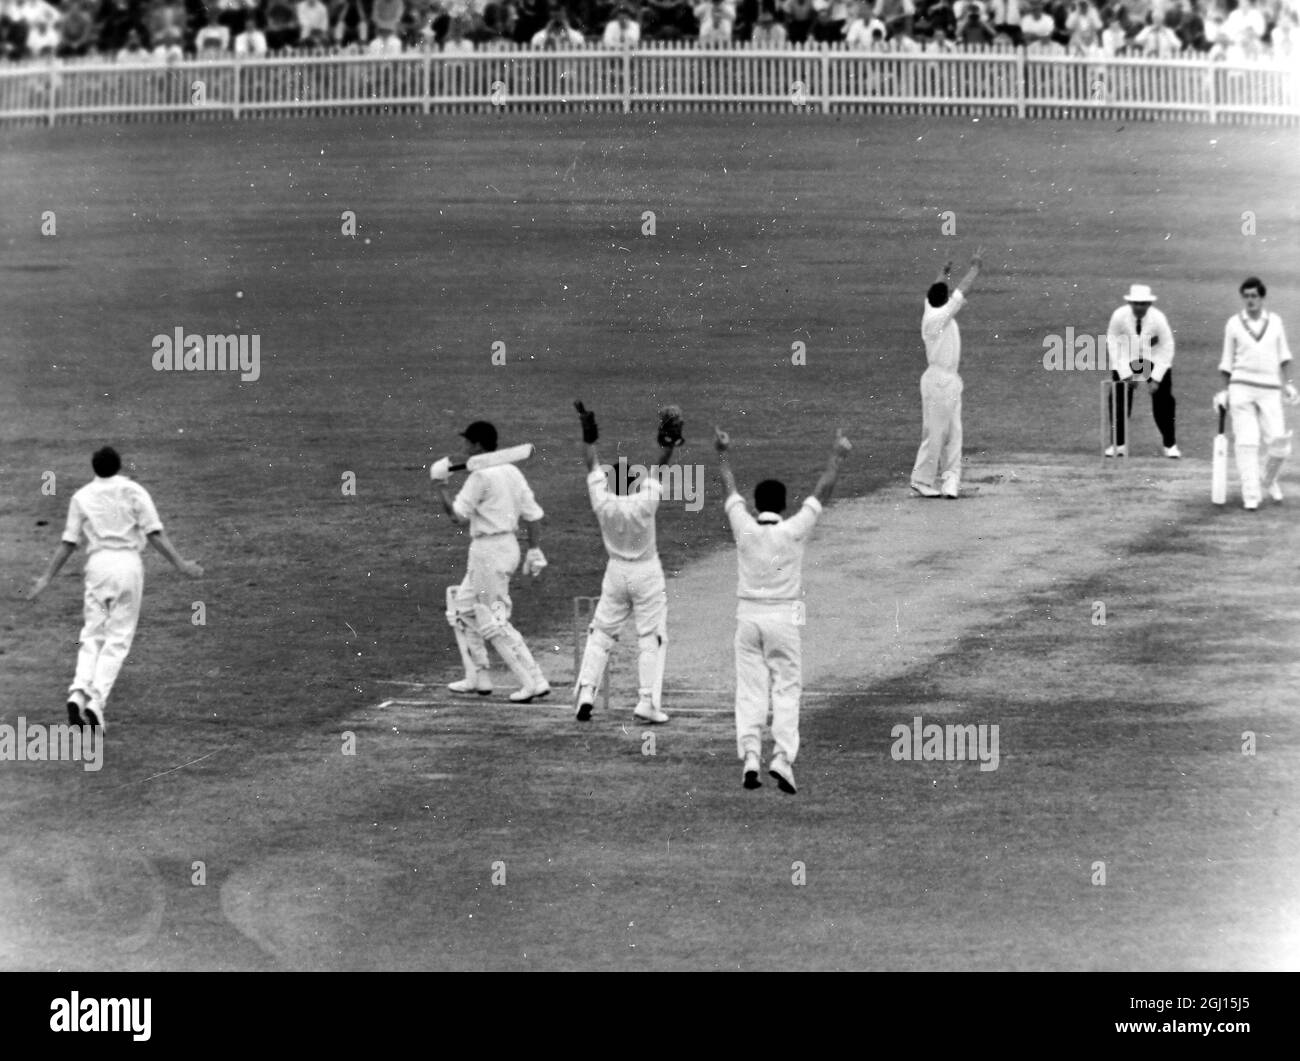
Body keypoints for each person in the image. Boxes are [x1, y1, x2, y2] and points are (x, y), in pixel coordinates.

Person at [714, 426, 852, 794]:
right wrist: (837, 455)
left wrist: (722, 452)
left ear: (757, 506)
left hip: (748, 619)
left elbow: (729, 490)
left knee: (750, 689)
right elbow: (823, 490)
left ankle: (750, 758)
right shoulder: (793, 531)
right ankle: (782, 759)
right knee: (787, 689)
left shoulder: (744, 527)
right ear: (784, 505)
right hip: (783, 620)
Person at [28, 446, 204, 731]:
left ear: (94, 467)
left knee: (92, 633)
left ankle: (77, 692)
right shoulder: (134, 491)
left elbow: (68, 543)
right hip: (127, 565)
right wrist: (181, 564)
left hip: (97, 567)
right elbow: (154, 533)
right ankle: (96, 702)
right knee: (118, 637)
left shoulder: (82, 496)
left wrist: (46, 578)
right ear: (119, 465)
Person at [571, 401, 679, 725]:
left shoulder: (602, 501)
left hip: (615, 571)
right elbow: (660, 468)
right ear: (634, 484)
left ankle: (586, 693)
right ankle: (647, 701)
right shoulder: (645, 501)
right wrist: (669, 445)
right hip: (646, 572)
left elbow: (591, 465)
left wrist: (588, 434)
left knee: (601, 633)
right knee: (651, 637)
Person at [431, 420, 551, 702]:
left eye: (467, 442)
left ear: (477, 445)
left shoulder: (480, 477)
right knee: (462, 608)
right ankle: (478, 677)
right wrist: (533, 550)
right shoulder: (513, 472)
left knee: (492, 619)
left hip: (488, 552)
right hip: (504, 548)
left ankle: (534, 680)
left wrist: (440, 486)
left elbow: (456, 517)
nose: (463, 447)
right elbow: (534, 516)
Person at [1215, 276, 1296, 510]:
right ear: (1243, 298)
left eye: (1254, 296)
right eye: (1246, 296)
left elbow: (1284, 356)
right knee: (1247, 442)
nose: (1250, 300)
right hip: (1241, 386)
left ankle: (1267, 479)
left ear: (1262, 298)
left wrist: (1288, 384)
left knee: (1280, 443)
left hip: (1270, 388)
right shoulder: (1233, 323)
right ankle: (1251, 494)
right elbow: (1227, 361)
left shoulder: (1275, 322)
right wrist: (1223, 391)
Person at [910, 248, 983, 498]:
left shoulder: (930, 305)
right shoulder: (937, 317)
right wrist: (974, 268)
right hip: (937, 380)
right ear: (942, 301)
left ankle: (951, 480)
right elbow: (962, 292)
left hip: (950, 380)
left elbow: (937, 288)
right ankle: (921, 479)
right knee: (936, 432)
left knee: (954, 432)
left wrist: (943, 272)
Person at [1103, 283, 1177, 458]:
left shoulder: (1158, 318)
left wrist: (1156, 379)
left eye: (1142, 304)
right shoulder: (1119, 316)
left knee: (1164, 403)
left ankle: (1170, 445)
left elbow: (1167, 347)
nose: (1139, 307)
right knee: (1119, 400)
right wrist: (1125, 374)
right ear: (1130, 303)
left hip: (1154, 358)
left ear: (1149, 304)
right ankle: (1118, 444)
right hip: (1127, 358)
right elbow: (1112, 342)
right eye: (1135, 303)